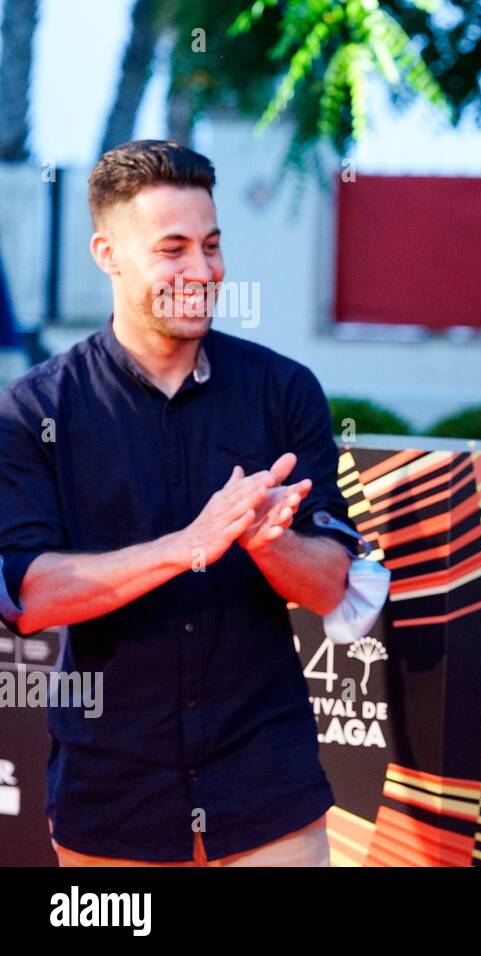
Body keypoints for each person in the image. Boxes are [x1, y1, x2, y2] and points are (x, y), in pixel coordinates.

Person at [0, 140, 359, 866]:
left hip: (268, 791)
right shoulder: (37, 408)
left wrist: (266, 542)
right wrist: (189, 542)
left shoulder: (283, 392)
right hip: (112, 801)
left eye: (211, 245)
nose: (201, 271)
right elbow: (28, 597)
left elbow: (329, 586)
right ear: (109, 253)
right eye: (172, 249)